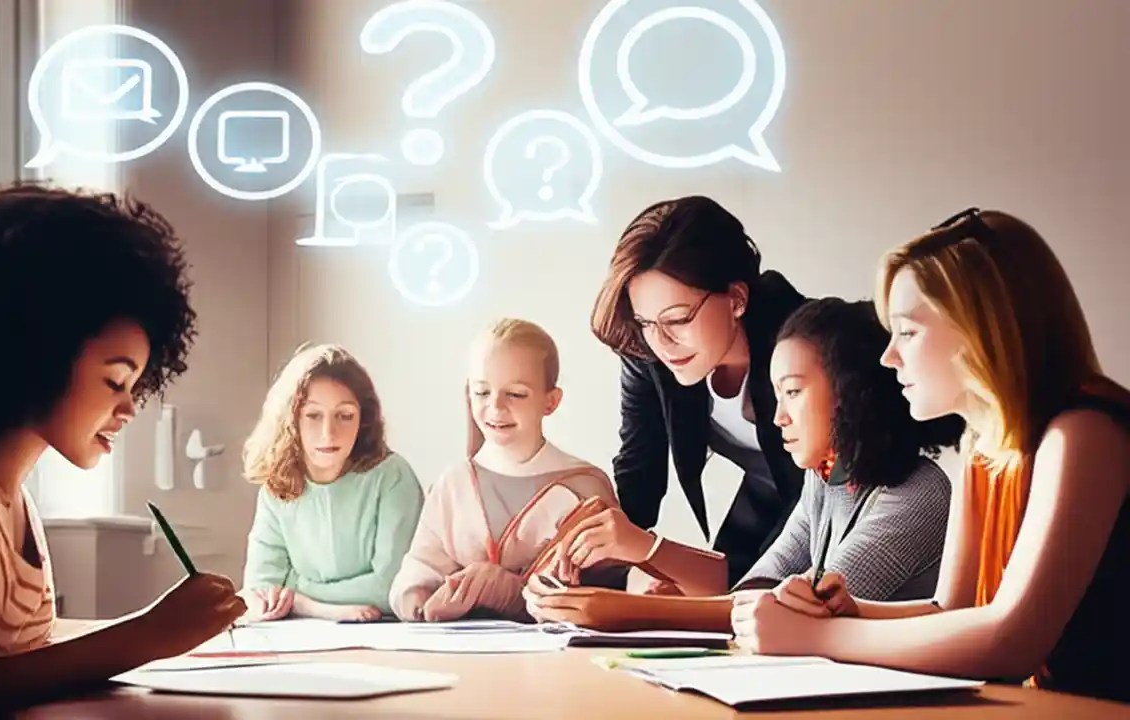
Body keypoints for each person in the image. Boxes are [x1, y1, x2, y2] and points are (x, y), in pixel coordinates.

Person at [0, 185, 244, 719]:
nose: (129, 409)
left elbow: (21, 662)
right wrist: (147, 636)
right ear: (37, 352)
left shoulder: (6, 493)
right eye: (115, 381)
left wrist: (158, 628)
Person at [731, 209, 1130, 703]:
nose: (888, 357)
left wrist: (815, 638)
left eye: (907, 332)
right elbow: (951, 610)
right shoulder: (981, 447)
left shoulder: (1083, 433)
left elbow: (1013, 640)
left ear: (981, 326)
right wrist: (846, 613)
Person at [525, 299, 960, 625]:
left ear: (851, 393)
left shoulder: (918, 493)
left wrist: (628, 610)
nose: (778, 417)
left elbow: (804, 611)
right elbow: (757, 586)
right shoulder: (824, 481)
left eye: (792, 391)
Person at [580, 196, 811, 588]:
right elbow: (640, 472)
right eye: (645, 322)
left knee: (752, 598)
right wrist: (597, 555)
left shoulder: (804, 342)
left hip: (835, 501)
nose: (662, 343)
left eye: (679, 319)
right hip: (766, 494)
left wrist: (676, 568)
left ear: (736, 299)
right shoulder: (649, 353)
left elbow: (822, 496)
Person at [389, 319, 617, 622]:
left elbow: (610, 593)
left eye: (516, 394)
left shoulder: (585, 490)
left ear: (551, 401)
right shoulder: (453, 485)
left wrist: (513, 594)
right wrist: (419, 602)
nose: (496, 407)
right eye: (482, 392)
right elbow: (417, 572)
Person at [239, 344, 423, 622]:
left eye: (345, 416)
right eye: (313, 416)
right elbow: (260, 590)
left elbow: (394, 586)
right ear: (291, 421)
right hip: (296, 634)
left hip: (381, 632)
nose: (329, 433)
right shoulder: (277, 487)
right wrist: (316, 608)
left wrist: (299, 593)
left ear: (363, 420)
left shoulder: (392, 476)